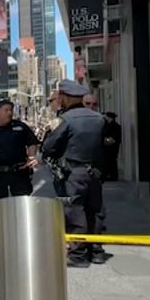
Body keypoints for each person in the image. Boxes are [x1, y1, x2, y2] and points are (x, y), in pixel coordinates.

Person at [42, 80, 109, 268]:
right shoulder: (99, 118)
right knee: (95, 210)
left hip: (72, 172)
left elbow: (49, 146)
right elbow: (107, 146)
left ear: (66, 97)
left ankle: (78, 254)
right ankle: (96, 251)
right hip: (94, 171)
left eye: (61, 96)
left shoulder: (65, 120)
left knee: (74, 210)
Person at [102, 112, 122, 181]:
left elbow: (116, 137)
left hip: (111, 146)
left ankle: (111, 175)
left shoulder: (114, 126)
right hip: (111, 146)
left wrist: (107, 140)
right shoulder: (109, 125)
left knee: (110, 160)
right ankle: (110, 175)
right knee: (111, 160)